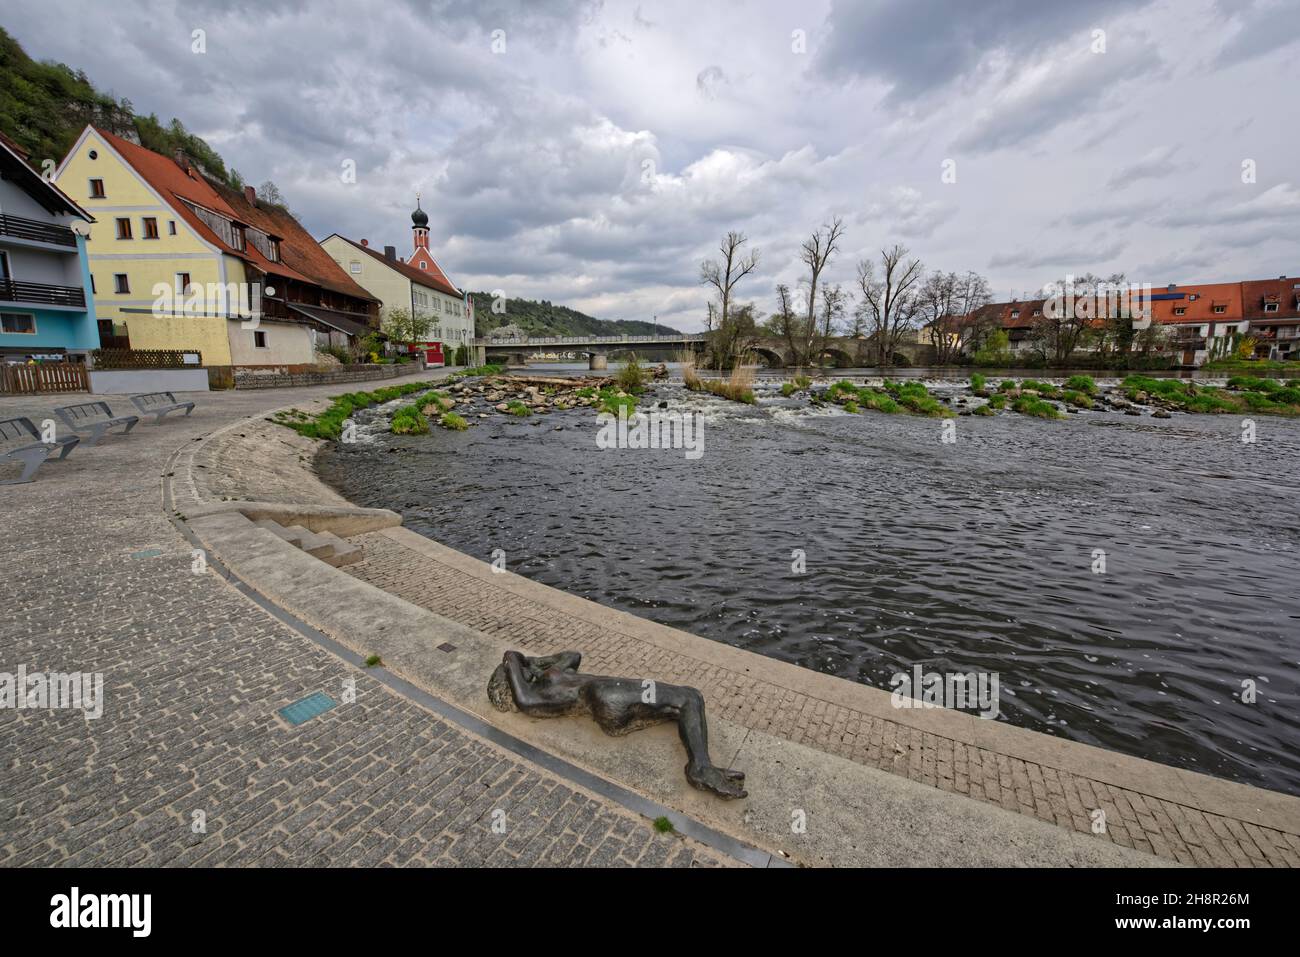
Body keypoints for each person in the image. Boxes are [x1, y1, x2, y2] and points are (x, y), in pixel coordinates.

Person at [487, 650, 746, 799]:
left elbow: (573, 655)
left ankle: (701, 762)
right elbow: (511, 656)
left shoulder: (548, 678)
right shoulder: (529, 698)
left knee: (683, 701)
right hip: (605, 696)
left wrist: (534, 663)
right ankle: (700, 767)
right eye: (517, 675)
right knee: (687, 697)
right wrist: (520, 666)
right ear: (511, 683)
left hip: (608, 698)